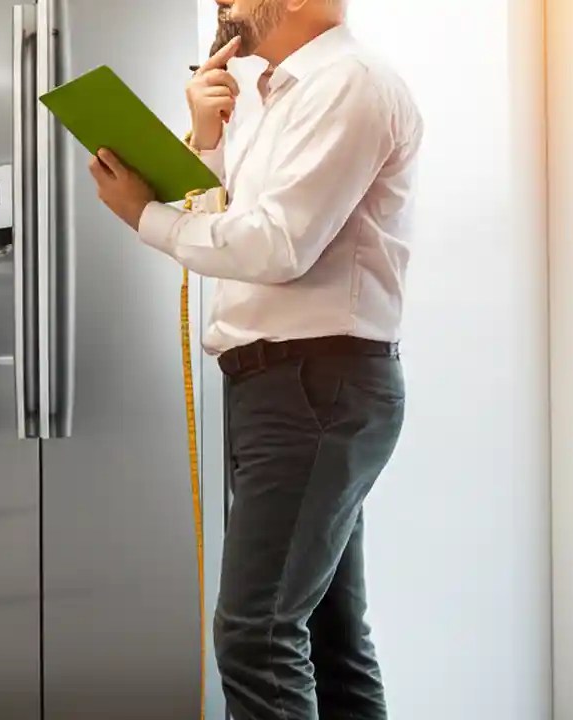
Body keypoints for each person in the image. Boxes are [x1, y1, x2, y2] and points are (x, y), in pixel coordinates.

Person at [88, 1, 424, 719]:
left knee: (256, 634)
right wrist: (208, 140)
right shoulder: (276, 98)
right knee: (328, 638)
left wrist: (145, 215)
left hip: (314, 387)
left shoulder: (349, 84)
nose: (223, 2)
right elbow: (232, 225)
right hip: (286, 388)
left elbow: (275, 246)